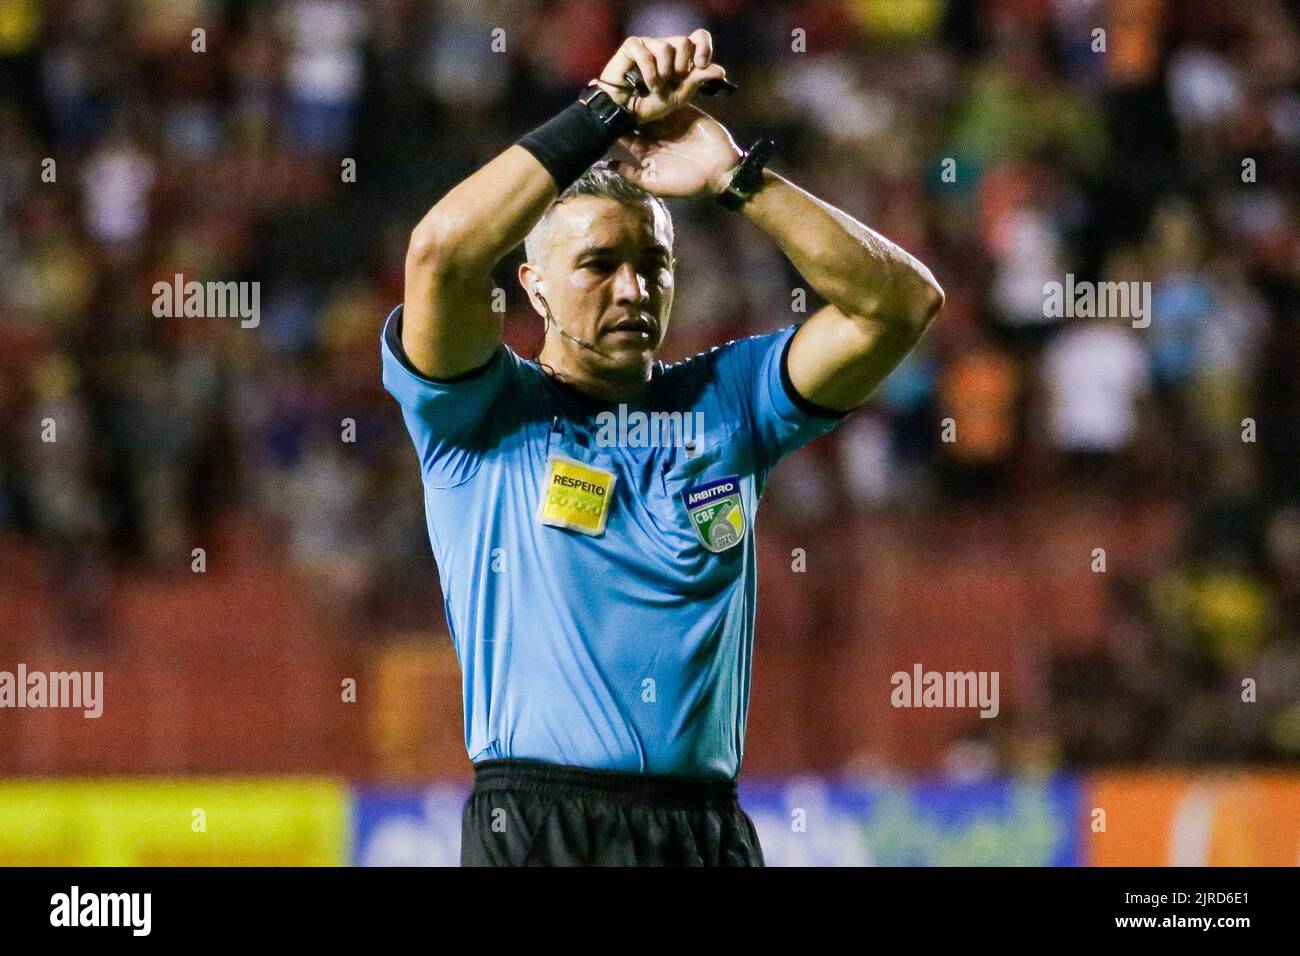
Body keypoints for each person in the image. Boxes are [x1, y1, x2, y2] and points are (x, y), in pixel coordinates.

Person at [382, 29, 944, 866]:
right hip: (541, 829)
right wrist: (601, 110)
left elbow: (898, 306)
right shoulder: (481, 413)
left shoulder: (729, 401)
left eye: (655, 262)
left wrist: (733, 177)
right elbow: (440, 254)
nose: (634, 289)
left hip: (703, 831)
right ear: (532, 286)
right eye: (598, 264)